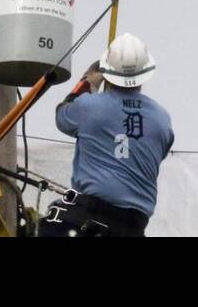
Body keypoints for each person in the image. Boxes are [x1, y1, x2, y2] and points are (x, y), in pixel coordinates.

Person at [44, 33, 173, 237]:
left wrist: (88, 83)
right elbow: (156, 151)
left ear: (107, 72)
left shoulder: (89, 106)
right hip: (134, 227)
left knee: (50, 223)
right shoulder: (162, 119)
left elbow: (62, 116)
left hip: (90, 217)